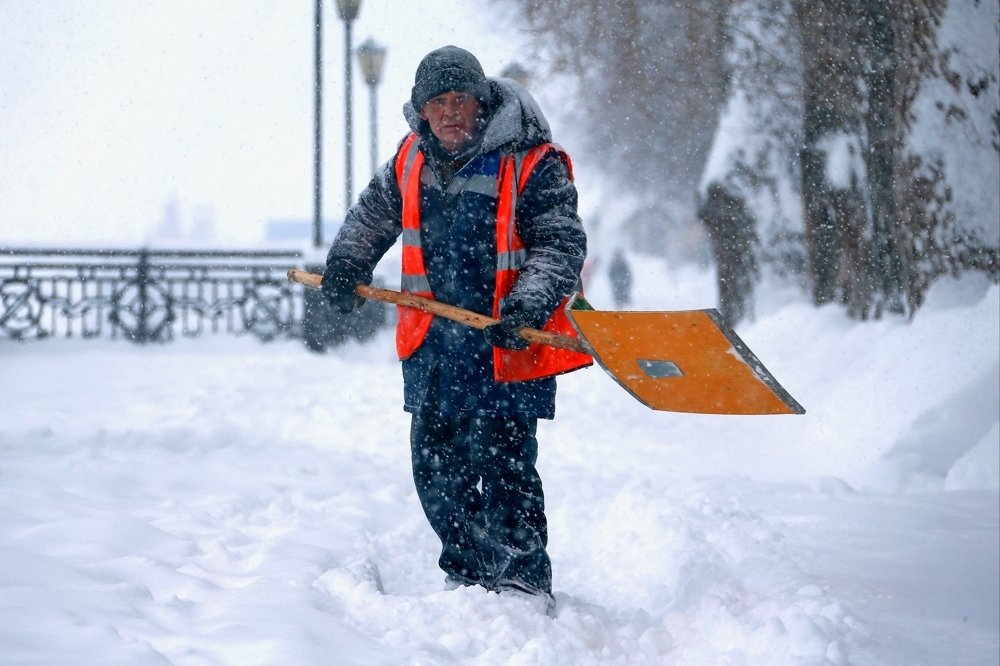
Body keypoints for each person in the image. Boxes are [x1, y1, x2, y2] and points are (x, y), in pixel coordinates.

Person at [319, 46, 591, 605]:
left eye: (459, 100)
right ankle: (466, 571)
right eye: (437, 103)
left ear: (480, 102)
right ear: (420, 111)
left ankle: (520, 576)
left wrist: (527, 305)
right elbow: (373, 215)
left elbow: (561, 244)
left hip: (505, 346)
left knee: (504, 466)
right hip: (434, 347)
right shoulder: (410, 159)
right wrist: (348, 263)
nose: (449, 113)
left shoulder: (531, 162)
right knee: (435, 465)